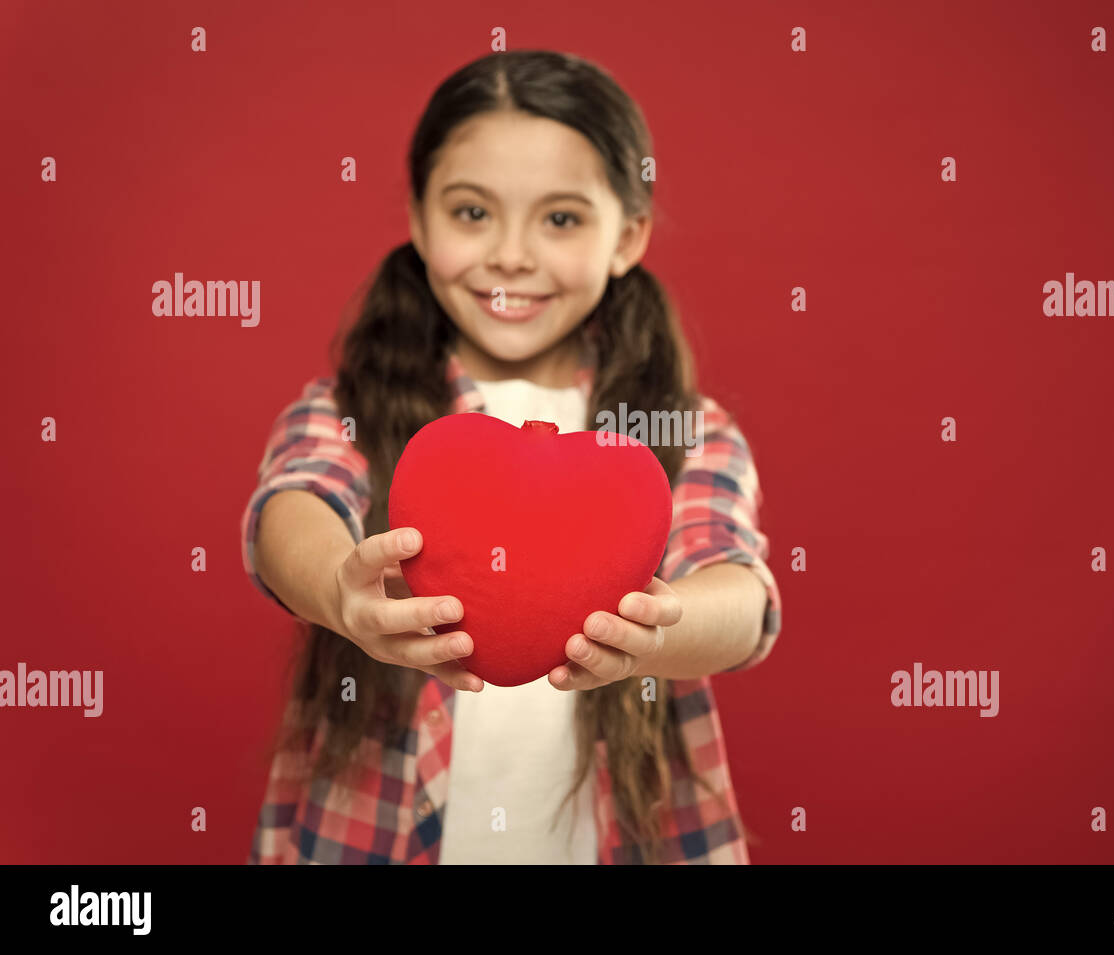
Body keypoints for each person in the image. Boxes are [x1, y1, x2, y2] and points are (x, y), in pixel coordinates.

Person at [240, 49, 782, 864]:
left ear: (626, 235)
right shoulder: (354, 407)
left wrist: (662, 633)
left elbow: (739, 590)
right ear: (420, 220)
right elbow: (294, 505)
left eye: (560, 219)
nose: (512, 256)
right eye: (471, 213)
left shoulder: (679, 428)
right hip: (377, 838)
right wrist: (341, 593)